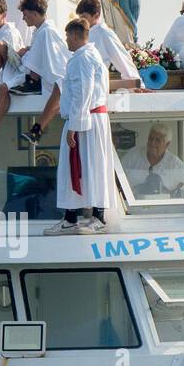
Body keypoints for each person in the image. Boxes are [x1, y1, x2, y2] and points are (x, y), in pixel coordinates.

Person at [0, 0, 70, 147]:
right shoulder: (41, 31)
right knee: (4, 86)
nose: (23, 18)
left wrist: (33, 79)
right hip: (28, 71)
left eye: (25, 14)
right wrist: (27, 50)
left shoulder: (47, 32)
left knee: (2, 74)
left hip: (35, 77)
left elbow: (54, 63)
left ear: (34, 13)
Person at [46, 19, 114, 235]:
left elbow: (82, 93)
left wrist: (74, 126)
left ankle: (97, 217)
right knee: (77, 168)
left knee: (92, 166)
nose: (66, 40)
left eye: (67, 36)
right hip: (87, 119)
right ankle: (71, 217)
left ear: (75, 35)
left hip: (86, 121)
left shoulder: (82, 58)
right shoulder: (89, 57)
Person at [120, 123, 184, 198]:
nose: (152, 143)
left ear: (167, 144)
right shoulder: (133, 156)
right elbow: (114, 177)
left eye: (157, 140)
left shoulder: (174, 163)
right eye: (151, 138)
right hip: (132, 211)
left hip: (165, 213)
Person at [74, 0, 140, 84]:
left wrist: (135, 83)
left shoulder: (104, 32)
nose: (81, 21)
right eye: (79, 17)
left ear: (96, 16)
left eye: (84, 17)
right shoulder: (82, 31)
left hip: (96, 82)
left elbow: (120, 57)